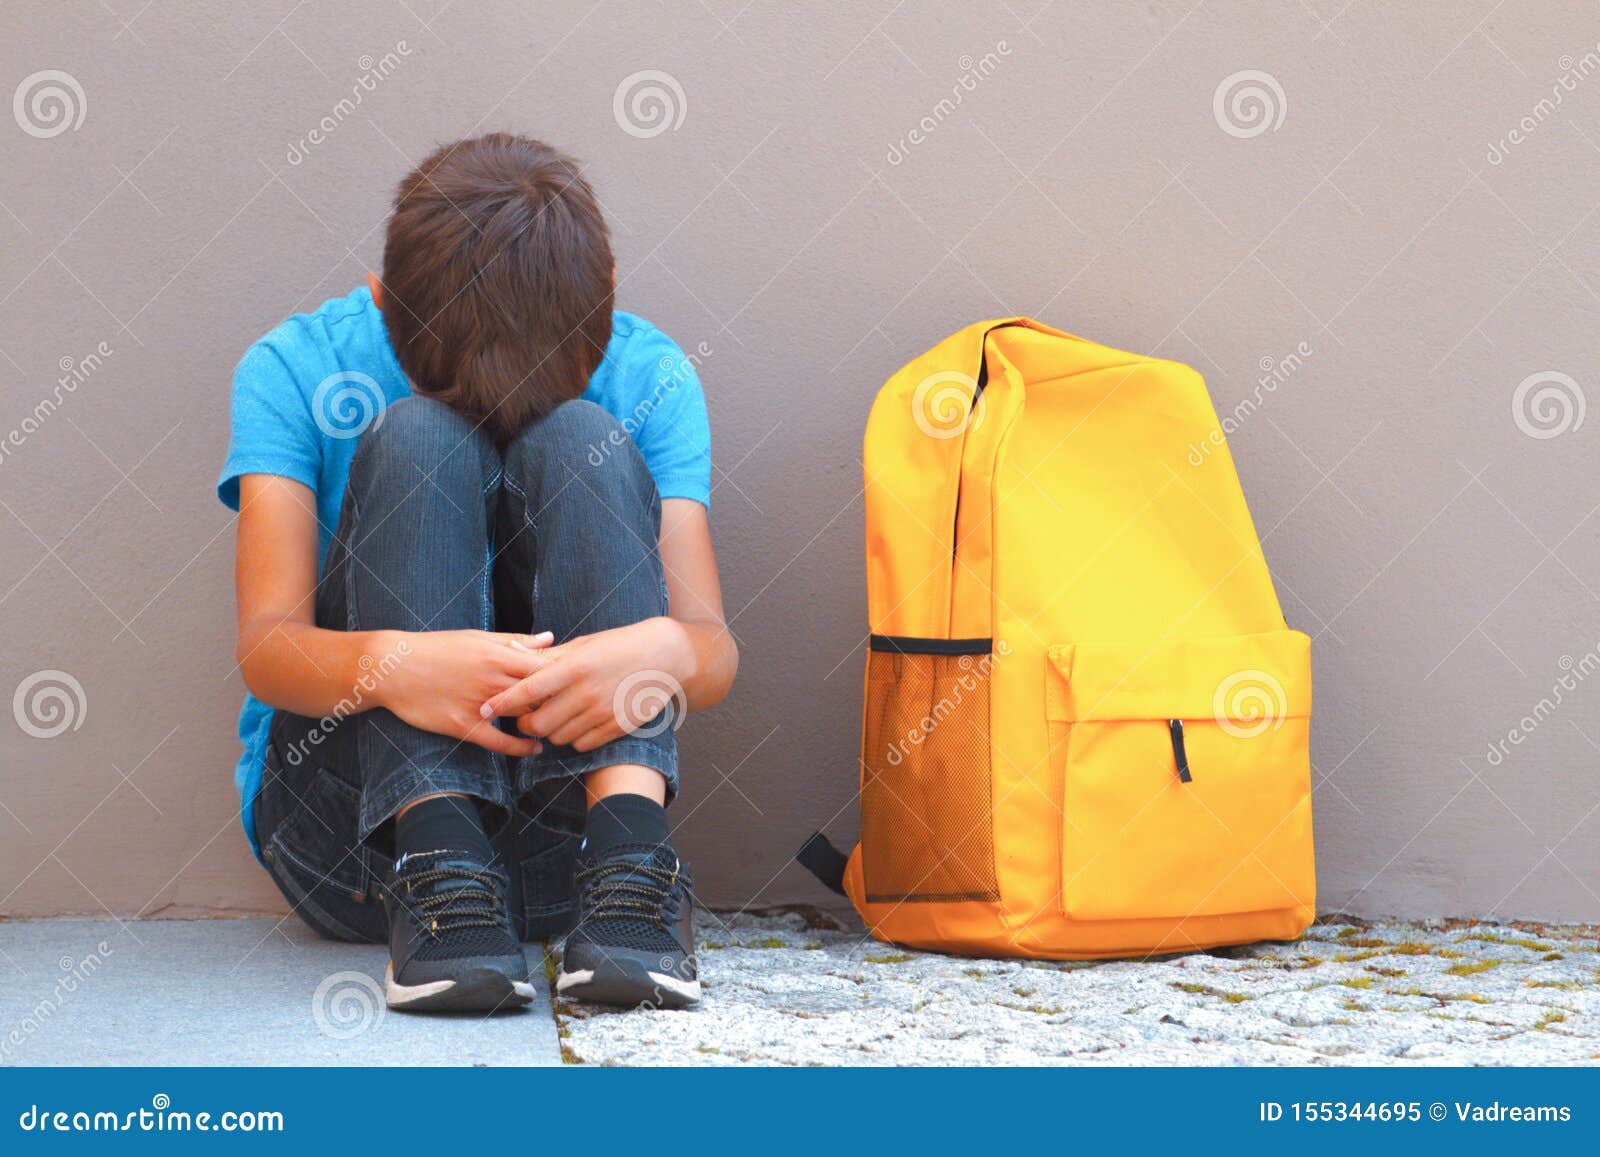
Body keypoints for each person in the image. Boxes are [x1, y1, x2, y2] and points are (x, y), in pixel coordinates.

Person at [217, 132, 736, 1012]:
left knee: (578, 439)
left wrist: (661, 650)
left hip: (570, 853)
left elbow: (713, 650)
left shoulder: (648, 374)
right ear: (381, 307)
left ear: (602, 312)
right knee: (418, 437)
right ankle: (441, 853)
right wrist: (399, 669)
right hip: (361, 854)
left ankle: (632, 862)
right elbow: (267, 649)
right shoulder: (297, 365)